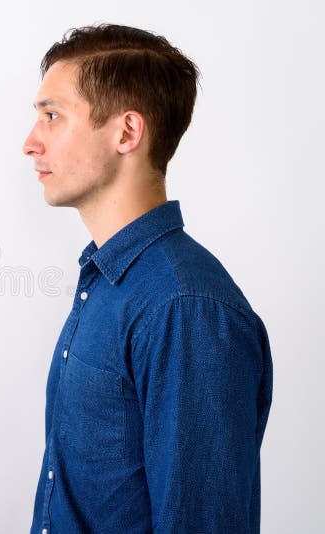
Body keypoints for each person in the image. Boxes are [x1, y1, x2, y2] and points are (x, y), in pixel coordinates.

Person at [21, 23, 273, 533]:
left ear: (127, 133)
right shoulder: (109, 280)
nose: (30, 143)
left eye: (52, 116)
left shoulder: (184, 307)